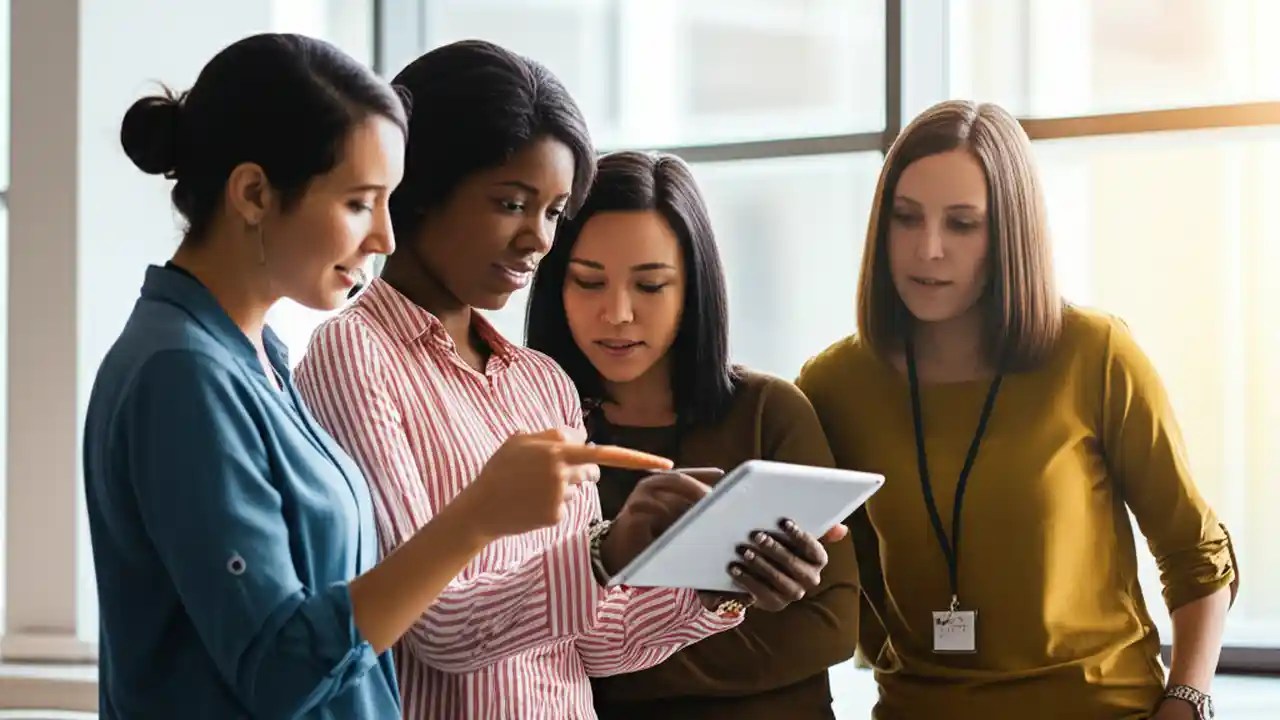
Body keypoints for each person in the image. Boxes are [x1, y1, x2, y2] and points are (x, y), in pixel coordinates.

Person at [82, 33, 671, 719]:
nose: (385, 237)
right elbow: (282, 667)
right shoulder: (183, 375)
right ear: (253, 194)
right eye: (361, 202)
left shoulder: (258, 357)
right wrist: (478, 517)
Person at [293, 40, 838, 720]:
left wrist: (712, 585)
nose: (540, 241)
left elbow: (591, 645)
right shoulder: (353, 355)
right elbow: (434, 627)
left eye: (553, 212)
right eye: (512, 203)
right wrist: (606, 549)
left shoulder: (542, 383)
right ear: (422, 186)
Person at [796, 100, 1239, 720]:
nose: (928, 249)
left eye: (961, 223)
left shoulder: (1095, 353)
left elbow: (1196, 555)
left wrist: (1187, 701)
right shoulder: (834, 385)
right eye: (905, 218)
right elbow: (842, 574)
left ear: (1009, 232)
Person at [524, 150, 861, 720]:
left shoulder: (768, 411)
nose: (618, 314)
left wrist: (612, 666)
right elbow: (529, 634)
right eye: (588, 282)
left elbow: (830, 627)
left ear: (693, 290)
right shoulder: (537, 433)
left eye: (651, 286)